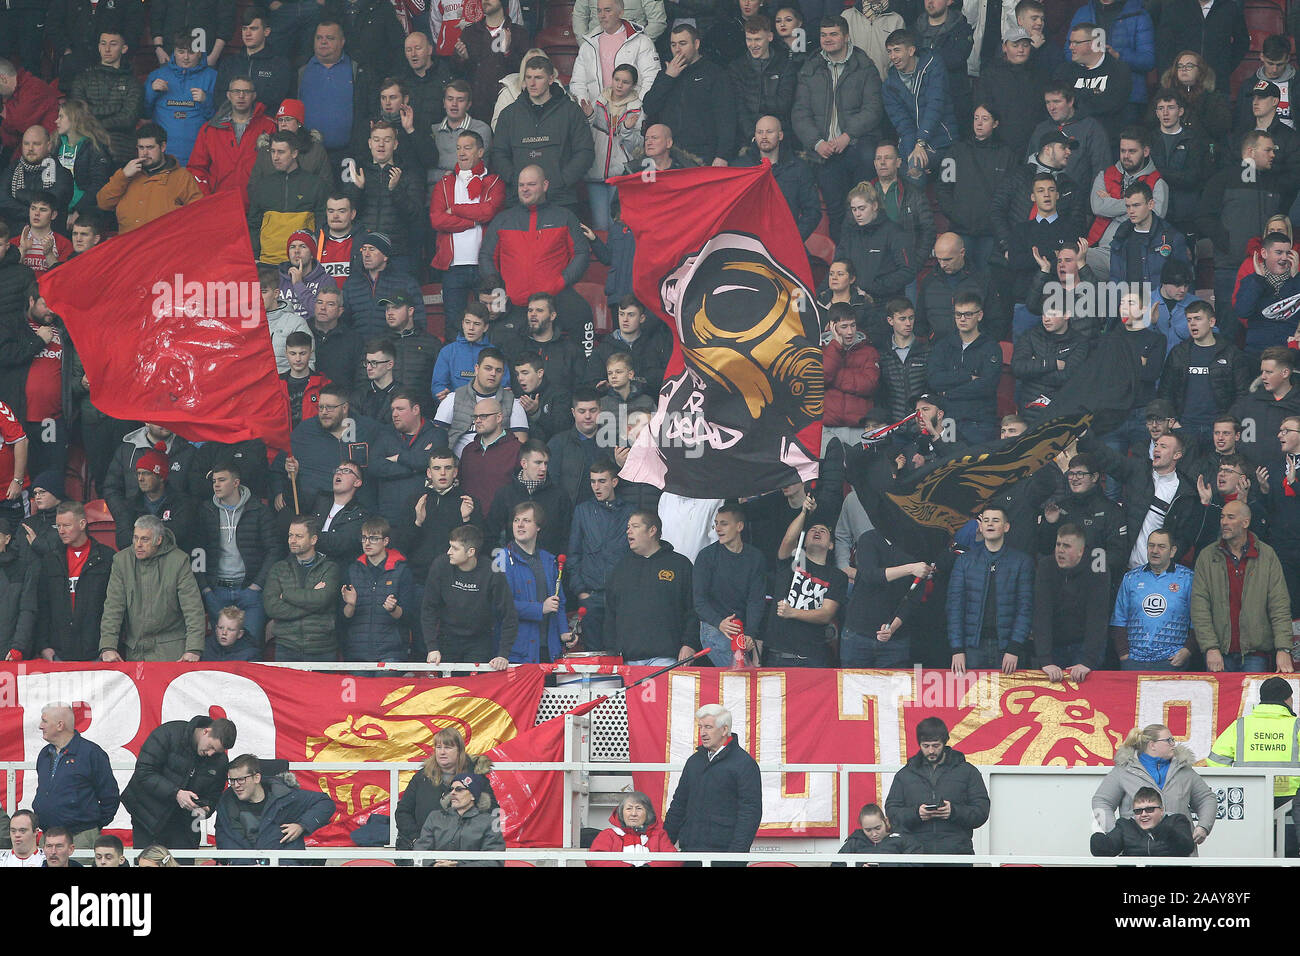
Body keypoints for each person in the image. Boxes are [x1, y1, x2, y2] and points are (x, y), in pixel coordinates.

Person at [477, 167, 593, 350]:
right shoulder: (503, 219)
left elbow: (581, 253)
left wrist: (561, 282)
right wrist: (497, 286)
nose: (525, 189)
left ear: (545, 185)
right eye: (521, 185)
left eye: (531, 184)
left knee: (581, 312)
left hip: (555, 297)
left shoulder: (564, 217)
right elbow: (486, 256)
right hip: (513, 302)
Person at [791, 16, 883, 240]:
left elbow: (873, 109)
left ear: (846, 36)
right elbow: (800, 113)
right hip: (824, 151)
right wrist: (817, 142)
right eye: (823, 35)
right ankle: (841, 263)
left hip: (857, 146)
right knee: (836, 212)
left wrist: (847, 135)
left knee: (862, 208)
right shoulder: (810, 68)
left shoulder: (864, 66)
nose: (827, 39)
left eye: (833, 34)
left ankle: (864, 261)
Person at [1190, 499, 1293, 673]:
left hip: (1256, 653)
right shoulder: (1207, 556)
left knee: (1253, 701)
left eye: (1231, 517)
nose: (1224, 522)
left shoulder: (1266, 555)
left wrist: (1283, 648)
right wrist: (1210, 647)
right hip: (1218, 653)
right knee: (1219, 701)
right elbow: (1200, 607)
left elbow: (1279, 605)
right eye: (1222, 517)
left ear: (1246, 522)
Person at [1199, 132, 1284, 332]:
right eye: (1268, 150)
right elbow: (1203, 216)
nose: (1273, 155)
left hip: (1267, 270)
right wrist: (1227, 244)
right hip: (1231, 267)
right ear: (1250, 152)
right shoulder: (1223, 179)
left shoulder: (1274, 182)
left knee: (1264, 328)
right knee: (1229, 328)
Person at [490, 57, 593, 215]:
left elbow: (585, 152)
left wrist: (562, 180)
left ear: (551, 79)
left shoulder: (571, 111)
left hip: (561, 200)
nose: (532, 83)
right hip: (519, 200)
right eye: (528, 77)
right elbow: (498, 153)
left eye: (538, 78)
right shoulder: (509, 114)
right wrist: (514, 178)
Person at [429, 130, 506, 339]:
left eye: (468, 147)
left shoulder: (493, 181)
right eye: (458, 148)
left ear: (480, 151)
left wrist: (453, 209)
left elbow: (489, 212)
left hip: (487, 266)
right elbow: (437, 220)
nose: (461, 153)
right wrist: (475, 219)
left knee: (492, 320)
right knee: (454, 324)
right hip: (453, 267)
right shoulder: (444, 184)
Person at [1081, 430, 1196, 570]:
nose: (1157, 449)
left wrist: (1165, 563)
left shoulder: (1184, 492)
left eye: (1163, 446)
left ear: (1177, 455)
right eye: (1156, 445)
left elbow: (1183, 538)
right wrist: (1086, 438)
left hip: (1154, 573)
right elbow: (1111, 459)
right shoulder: (1139, 470)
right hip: (1122, 567)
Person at [120, 715, 237, 852]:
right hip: (148, 817)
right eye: (211, 747)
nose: (211, 754)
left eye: (216, 752)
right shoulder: (169, 733)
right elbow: (144, 772)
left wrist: (205, 809)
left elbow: (214, 796)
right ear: (206, 731)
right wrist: (176, 793)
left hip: (185, 826)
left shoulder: (220, 761)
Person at [663, 704, 761, 865]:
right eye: (700, 727)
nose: (702, 732)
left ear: (724, 730)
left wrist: (735, 858)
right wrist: (664, 846)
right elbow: (678, 805)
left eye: (708, 727)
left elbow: (750, 814)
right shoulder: (694, 761)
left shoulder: (744, 764)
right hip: (690, 852)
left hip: (725, 855)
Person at [98, 516, 206, 663]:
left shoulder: (179, 561)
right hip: (135, 650)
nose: (138, 544)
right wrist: (108, 646)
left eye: (145, 539)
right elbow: (113, 608)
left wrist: (193, 649)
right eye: (135, 538)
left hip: (171, 652)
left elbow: (193, 609)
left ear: (159, 540)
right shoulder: (121, 561)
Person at [196, 461, 280, 645]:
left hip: (249, 591)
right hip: (217, 591)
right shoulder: (206, 511)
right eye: (214, 481)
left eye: (222, 480)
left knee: (251, 648)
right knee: (220, 650)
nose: (216, 485)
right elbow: (197, 551)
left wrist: (257, 586)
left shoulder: (259, 510)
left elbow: (273, 550)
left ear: (236, 483)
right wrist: (206, 589)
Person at [1092, 724, 1215, 847]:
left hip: (1179, 850)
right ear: (1152, 745)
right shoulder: (1124, 770)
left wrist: (1203, 826)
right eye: (1169, 740)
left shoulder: (1184, 770)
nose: (1174, 744)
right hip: (1136, 851)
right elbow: (1101, 801)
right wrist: (1115, 833)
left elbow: (1206, 799)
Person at [884, 716, 990, 856]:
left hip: (957, 855)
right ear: (919, 744)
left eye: (936, 745)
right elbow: (891, 813)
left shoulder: (967, 772)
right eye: (926, 746)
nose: (931, 751)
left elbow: (981, 811)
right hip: (915, 855)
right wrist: (916, 814)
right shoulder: (904, 775)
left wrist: (953, 812)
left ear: (945, 742)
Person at [947, 505, 1034, 675]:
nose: (990, 524)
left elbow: (1025, 608)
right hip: (972, 648)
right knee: (972, 700)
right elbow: (954, 608)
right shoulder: (965, 561)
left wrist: (1015, 647)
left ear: (1006, 527)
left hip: (1008, 650)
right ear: (980, 526)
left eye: (995, 520)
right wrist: (957, 649)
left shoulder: (1022, 562)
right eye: (986, 520)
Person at [605, 510, 699, 665]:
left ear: (652, 530)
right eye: (628, 526)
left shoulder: (680, 564)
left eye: (635, 526)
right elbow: (610, 614)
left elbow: (693, 609)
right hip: (628, 660)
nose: (628, 531)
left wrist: (690, 643)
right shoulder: (621, 567)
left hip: (668, 657)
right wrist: (611, 653)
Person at [642, 24, 736, 169]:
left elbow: (726, 118)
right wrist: (668, 78)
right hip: (670, 156)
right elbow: (649, 107)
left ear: (696, 44)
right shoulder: (666, 73)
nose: (677, 49)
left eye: (683, 43)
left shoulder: (715, 74)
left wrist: (722, 155)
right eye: (673, 44)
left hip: (702, 156)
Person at [422, 524, 516, 667]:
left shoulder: (492, 572)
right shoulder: (440, 565)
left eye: (455, 548)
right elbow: (428, 608)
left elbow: (509, 615)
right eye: (450, 546)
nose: (448, 552)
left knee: (474, 687)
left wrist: (503, 655)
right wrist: (432, 647)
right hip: (447, 639)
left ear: (471, 552)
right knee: (448, 688)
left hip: (479, 642)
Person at [215, 754, 335, 865]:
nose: (236, 785)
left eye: (241, 779)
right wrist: (242, 861)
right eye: (232, 780)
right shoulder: (225, 802)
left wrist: (301, 825)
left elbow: (325, 803)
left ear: (257, 778)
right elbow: (223, 838)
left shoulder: (286, 795)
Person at [1157, 301, 1250, 440]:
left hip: (1219, 429)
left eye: (1198, 319)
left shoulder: (1231, 353)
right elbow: (1165, 391)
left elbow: (1243, 393)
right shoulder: (1178, 353)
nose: (1192, 324)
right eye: (1189, 320)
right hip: (1185, 426)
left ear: (1212, 322)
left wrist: (1229, 423)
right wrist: (1173, 421)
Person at [33, 702, 119, 848]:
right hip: (48, 837)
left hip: (79, 838)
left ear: (60, 725)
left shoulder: (91, 753)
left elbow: (110, 797)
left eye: (45, 721)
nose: (40, 726)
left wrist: (91, 828)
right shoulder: (44, 754)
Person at [36, 501, 114, 662]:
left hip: (96, 650)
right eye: (58, 526)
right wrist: (44, 645)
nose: (61, 531)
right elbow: (43, 605)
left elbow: (114, 607)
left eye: (66, 525)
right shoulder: (51, 560)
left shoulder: (107, 558)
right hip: (59, 652)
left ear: (82, 524)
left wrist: (109, 646)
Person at [394, 727, 494, 850]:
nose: (442, 752)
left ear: (459, 751)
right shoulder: (421, 777)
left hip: (464, 851)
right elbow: (403, 812)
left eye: (448, 747)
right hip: (422, 849)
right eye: (438, 747)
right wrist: (417, 840)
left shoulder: (476, 779)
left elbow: (492, 812)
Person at [1032, 524, 1110, 681]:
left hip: (1084, 645)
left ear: (1081, 551)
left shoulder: (1097, 569)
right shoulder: (1046, 566)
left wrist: (1088, 661)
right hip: (1054, 644)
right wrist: (1045, 660)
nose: (1060, 550)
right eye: (1058, 544)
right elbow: (1042, 614)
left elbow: (1098, 617)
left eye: (1066, 546)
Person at [1208, 675, 1300, 806]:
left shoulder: (1241, 725)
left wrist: (1236, 783)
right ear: (1287, 699)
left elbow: (1215, 761)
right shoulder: (1297, 726)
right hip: (1291, 798)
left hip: (1249, 795)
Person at [693, 504, 767, 666]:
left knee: (745, 676)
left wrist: (750, 633)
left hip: (742, 627)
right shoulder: (706, 556)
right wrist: (719, 622)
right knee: (740, 675)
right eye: (716, 524)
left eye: (724, 523)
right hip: (714, 626)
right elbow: (699, 602)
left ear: (739, 526)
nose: (718, 528)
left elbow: (756, 600)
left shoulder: (755, 557)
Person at [95, 123, 203, 233]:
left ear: (163, 147)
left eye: (150, 147)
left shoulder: (181, 177)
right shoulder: (126, 173)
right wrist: (123, 176)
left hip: (163, 245)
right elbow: (103, 203)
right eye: (141, 148)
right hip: (128, 244)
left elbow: (198, 214)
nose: (144, 153)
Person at [882, 28, 957, 187]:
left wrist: (921, 142)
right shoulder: (889, 85)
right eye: (889, 52)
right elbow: (903, 124)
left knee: (949, 184)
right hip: (914, 145)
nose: (893, 57)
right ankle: (919, 212)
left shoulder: (933, 65)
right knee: (912, 170)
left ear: (911, 50)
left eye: (897, 50)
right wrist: (912, 151)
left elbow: (934, 106)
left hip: (944, 142)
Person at [263, 516, 343, 661]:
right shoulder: (278, 569)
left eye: (298, 536)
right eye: (290, 535)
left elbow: (322, 600)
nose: (292, 540)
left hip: (322, 648)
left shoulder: (330, 568)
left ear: (313, 540)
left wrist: (286, 595)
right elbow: (272, 608)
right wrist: (313, 602)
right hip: (286, 647)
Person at [186, 77, 277, 203]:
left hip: (257, 205)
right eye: (236, 91)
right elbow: (196, 168)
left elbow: (278, 167)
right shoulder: (210, 129)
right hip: (219, 204)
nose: (241, 96)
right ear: (228, 95)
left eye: (246, 91)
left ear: (254, 95)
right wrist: (208, 197)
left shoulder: (269, 126)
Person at [341, 516, 417, 662]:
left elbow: (409, 616)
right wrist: (351, 605)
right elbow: (343, 617)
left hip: (391, 652)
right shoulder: (352, 570)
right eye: (364, 538)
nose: (367, 543)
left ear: (386, 541)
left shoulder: (401, 570)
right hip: (357, 652)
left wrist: (393, 609)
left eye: (374, 538)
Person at [247, 131, 330, 263]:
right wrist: (254, 257)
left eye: (281, 152)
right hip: (267, 263)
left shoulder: (315, 184)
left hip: (304, 263)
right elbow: (253, 225)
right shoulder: (262, 185)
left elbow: (322, 224)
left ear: (294, 153)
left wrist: (317, 257)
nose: (275, 157)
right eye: (272, 151)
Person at [144, 32, 218, 166]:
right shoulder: (157, 75)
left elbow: (219, 118)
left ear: (200, 53)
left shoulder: (212, 77)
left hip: (198, 154)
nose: (185, 57)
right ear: (174, 51)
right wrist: (151, 91)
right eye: (181, 51)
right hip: (164, 156)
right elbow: (144, 113)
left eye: (191, 52)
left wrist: (206, 100)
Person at [835, 181, 916, 303]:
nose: (857, 214)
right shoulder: (850, 233)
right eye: (854, 209)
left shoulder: (894, 232)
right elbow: (837, 265)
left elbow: (907, 271)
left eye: (862, 208)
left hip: (886, 304)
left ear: (874, 206)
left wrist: (874, 287)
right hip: (854, 302)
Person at [1056, 22, 1133, 142]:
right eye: (1070, 42)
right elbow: (1060, 105)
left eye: (1076, 43)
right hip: (1071, 141)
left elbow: (1113, 104)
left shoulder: (1119, 70)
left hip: (1108, 140)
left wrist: (1078, 99)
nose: (1071, 47)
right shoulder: (1064, 72)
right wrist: (1094, 95)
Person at [413, 772, 506, 866]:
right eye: (451, 789)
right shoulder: (435, 817)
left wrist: (458, 866)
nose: (453, 792)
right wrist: (433, 864)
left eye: (459, 789)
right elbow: (420, 852)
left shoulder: (489, 822)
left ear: (473, 795)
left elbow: (495, 861)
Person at [217, 8, 293, 115]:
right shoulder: (229, 63)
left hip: (266, 126)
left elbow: (279, 101)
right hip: (231, 124)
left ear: (266, 32)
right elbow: (219, 98)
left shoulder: (280, 64)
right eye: (244, 29)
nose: (247, 33)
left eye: (253, 29)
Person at [1090, 786, 1195, 857]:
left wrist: (1163, 831)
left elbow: (1186, 847)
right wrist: (1098, 840)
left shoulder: (1176, 821)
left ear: (1162, 810)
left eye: (1149, 809)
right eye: (1138, 811)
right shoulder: (1125, 826)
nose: (1143, 814)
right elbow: (1108, 849)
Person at [589, 791, 680, 866]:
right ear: (621, 813)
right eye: (629, 808)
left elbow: (674, 860)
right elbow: (595, 860)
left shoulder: (659, 835)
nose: (633, 813)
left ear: (647, 814)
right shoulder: (609, 834)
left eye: (639, 808)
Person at [834, 803, 922, 865]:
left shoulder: (902, 838)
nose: (874, 834)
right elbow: (836, 864)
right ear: (862, 827)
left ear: (886, 821)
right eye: (868, 830)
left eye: (878, 828)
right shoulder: (855, 842)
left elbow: (915, 863)